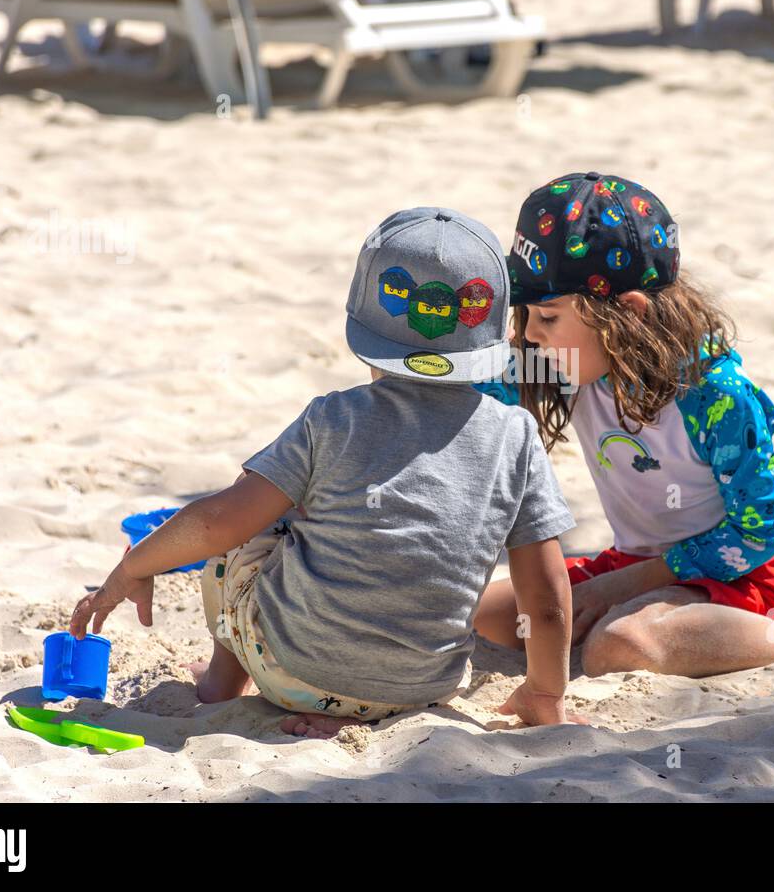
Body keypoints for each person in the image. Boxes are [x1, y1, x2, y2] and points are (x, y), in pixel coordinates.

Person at [70, 208, 578, 737]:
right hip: (423, 689)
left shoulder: (334, 418)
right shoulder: (516, 437)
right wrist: (546, 691)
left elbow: (216, 521)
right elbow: (546, 597)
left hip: (292, 674)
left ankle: (223, 681)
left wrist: (134, 569)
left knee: (248, 528)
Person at [474, 172, 774, 679]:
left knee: (619, 645)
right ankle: (643, 608)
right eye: (525, 315)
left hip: (738, 569)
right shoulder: (574, 361)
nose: (530, 335)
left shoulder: (712, 397)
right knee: (490, 616)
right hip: (636, 561)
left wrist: (619, 589)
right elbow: (478, 398)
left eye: (546, 315)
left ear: (625, 313)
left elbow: (759, 533)